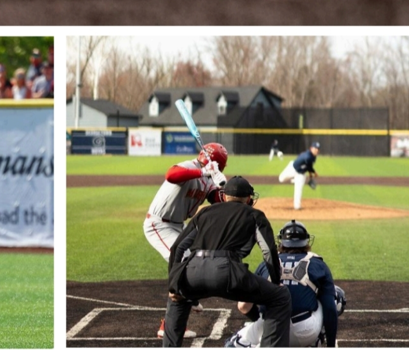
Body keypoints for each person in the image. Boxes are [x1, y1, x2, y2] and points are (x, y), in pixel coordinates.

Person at [163, 176, 291, 347]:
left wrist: (174, 283)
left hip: (193, 269)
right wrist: (276, 283)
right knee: (280, 297)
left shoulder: (205, 212)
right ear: (248, 198)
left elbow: (178, 247)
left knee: (177, 298)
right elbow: (268, 251)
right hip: (227, 271)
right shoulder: (255, 215)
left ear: (223, 196)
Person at [144, 143, 229, 339]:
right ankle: (168, 326)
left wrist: (222, 185)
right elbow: (171, 175)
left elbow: (218, 200)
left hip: (179, 227)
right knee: (184, 265)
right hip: (159, 224)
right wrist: (203, 172)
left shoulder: (209, 178)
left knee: (200, 256)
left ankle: (190, 296)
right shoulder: (189, 167)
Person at [225, 220, 343, 348]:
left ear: (281, 241)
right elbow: (330, 309)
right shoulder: (318, 264)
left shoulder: (266, 265)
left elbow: (243, 306)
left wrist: (259, 320)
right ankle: (318, 339)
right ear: (306, 241)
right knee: (335, 295)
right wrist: (331, 345)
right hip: (305, 332)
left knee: (231, 344)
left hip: (271, 329)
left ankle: (258, 345)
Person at [279, 143, 320, 210]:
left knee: (298, 189)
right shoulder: (308, 156)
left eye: (318, 149)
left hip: (301, 173)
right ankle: (294, 179)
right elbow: (309, 166)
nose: (317, 150)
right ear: (311, 148)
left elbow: (309, 166)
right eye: (315, 148)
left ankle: (297, 206)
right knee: (281, 179)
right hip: (292, 168)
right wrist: (314, 172)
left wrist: (310, 174)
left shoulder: (313, 156)